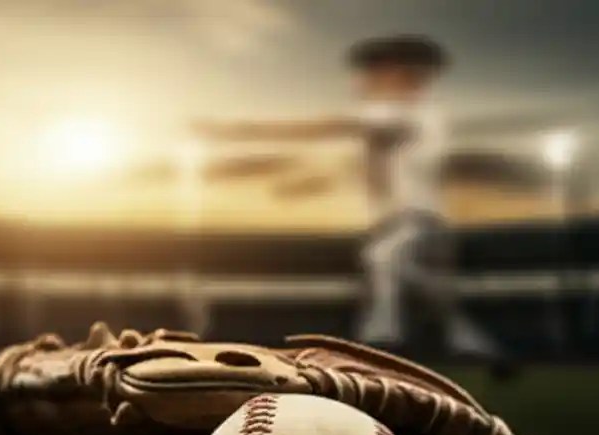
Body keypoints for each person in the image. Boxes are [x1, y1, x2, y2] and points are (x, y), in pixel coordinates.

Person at [193, 35, 510, 371]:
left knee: (384, 261)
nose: (363, 82)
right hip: (408, 222)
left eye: (376, 73)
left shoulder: (407, 113)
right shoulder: (411, 116)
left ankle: (379, 344)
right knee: (433, 298)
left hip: (415, 221)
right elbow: (353, 160)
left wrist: (239, 130)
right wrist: (299, 184)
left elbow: (333, 126)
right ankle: (488, 354)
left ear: (399, 75)